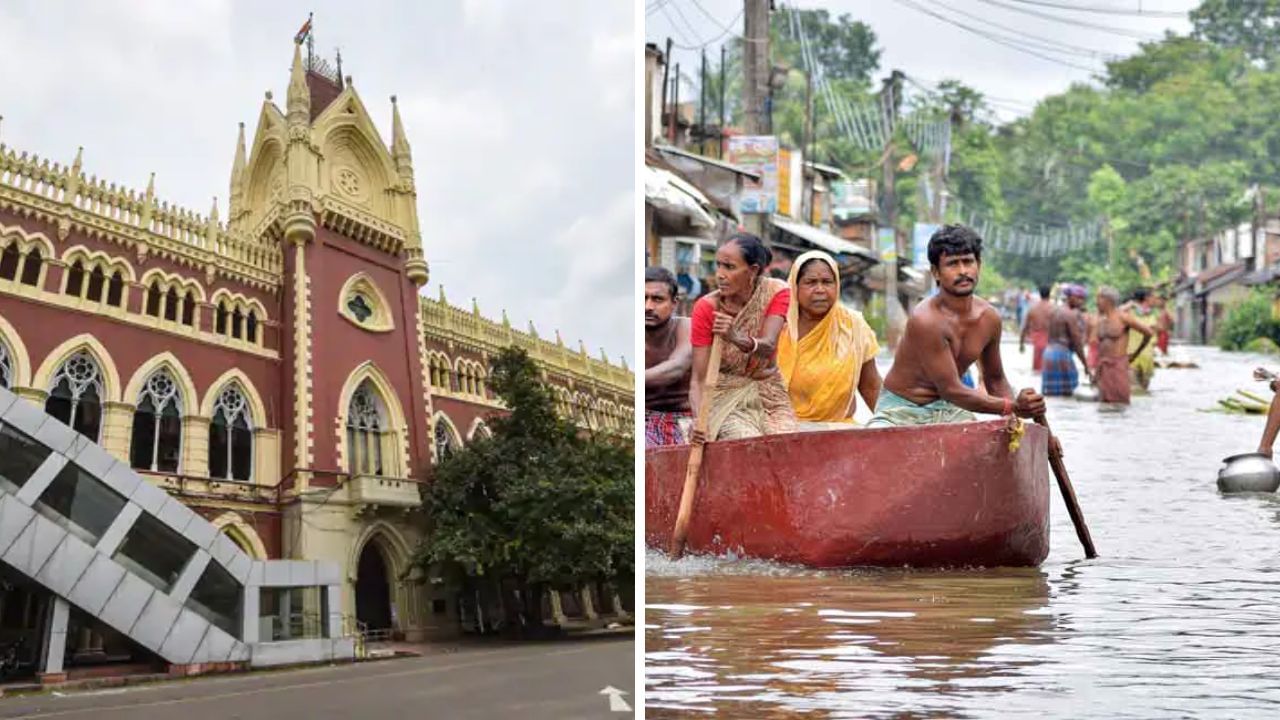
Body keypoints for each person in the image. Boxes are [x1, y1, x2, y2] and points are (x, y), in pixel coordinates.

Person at [869, 224, 1046, 428]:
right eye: (952, 264)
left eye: (968, 262)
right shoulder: (925, 319)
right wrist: (1012, 406)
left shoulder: (989, 318)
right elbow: (951, 389)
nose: (963, 271)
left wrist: (1017, 421)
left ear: (978, 264)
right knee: (874, 448)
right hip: (901, 410)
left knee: (999, 444)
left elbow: (995, 379)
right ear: (936, 272)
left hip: (949, 408)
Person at [689, 233, 798, 442]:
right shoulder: (706, 307)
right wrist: (698, 421)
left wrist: (734, 336)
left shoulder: (777, 292)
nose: (720, 274)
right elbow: (698, 379)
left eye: (729, 267)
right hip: (722, 396)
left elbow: (768, 345)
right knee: (746, 442)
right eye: (718, 266)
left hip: (769, 394)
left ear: (753, 270)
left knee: (787, 444)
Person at [776, 250, 881, 427]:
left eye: (827, 282)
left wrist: (889, 427)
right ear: (795, 286)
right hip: (787, 431)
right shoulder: (778, 326)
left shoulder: (853, 326)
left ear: (837, 285)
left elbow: (871, 387)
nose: (820, 290)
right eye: (810, 282)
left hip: (839, 432)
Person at [644, 267, 692, 447]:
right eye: (643, 298)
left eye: (657, 299)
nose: (648, 307)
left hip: (685, 421)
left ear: (674, 303)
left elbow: (677, 367)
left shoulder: (686, 327)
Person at [1094, 287, 1153, 406]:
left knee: (1120, 403)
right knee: (1104, 404)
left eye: (1099, 298)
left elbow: (1148, 332)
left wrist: (1135, 354)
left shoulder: (1123, 317)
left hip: (1118, 366)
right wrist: (1096, 372)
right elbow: (1100, 347)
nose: (1096, 302)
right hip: (1103, 368)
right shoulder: (1101, 320)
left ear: (1108, 300)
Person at [1042, 285, 1093, 396]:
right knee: (1067, 394)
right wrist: (1085, 365)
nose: (1081, 302)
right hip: (1062, 355)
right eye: (1079, 298)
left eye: (1083, 299)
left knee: (1051, 394)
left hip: (1048, 354)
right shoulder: (1070, 315)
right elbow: (1077, 343)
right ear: (1070, 297)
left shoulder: (1054, 311)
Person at [1125, 288, 1159, 391]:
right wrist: (1130, 304)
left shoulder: (1152, 313)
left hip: (1147, 357)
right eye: (1154, 297)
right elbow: (1113, 314)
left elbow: (1153, 335)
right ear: (1146, 298)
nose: (1156, 299)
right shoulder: (1129, 312)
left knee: (1144, 391)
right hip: (1131, 356)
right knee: (1133, 390)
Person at [1020, 285, 1054, 374]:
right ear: (1050, 294)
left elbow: (1025, 327)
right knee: (1049, 369)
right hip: (1051, 340)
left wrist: (1021, 343)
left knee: (1037, 371)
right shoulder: (1054, 309)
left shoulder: (1033, 309)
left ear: (1039, 294)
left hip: (1037, 340)